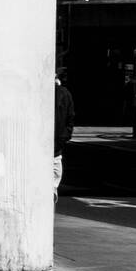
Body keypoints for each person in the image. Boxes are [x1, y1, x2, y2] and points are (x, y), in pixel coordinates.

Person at [54, 67, 75, 201]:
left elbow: (70, 117)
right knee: (55, 173)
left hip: (55, 143)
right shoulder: (65, 93)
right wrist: (65, 136)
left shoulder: (63, 94)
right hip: (57, 145)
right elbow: (70, 117)